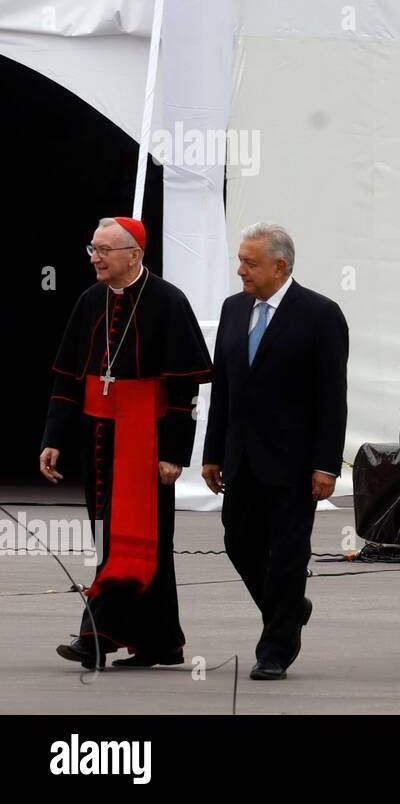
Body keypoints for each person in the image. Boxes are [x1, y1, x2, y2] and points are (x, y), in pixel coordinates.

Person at [40, 217, 212, 669]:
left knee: (134, 540)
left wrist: (175, 452)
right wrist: (53, 438)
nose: (94, 258)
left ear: (134, 255)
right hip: (98, 436)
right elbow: (67, 378)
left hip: (146, 439)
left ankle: (94, 637)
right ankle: (160, 643)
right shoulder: (89, 300)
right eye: (92, 249)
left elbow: (183, 390)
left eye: (104, 250)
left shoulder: (169, 302)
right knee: (110, 539)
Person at [201, 223, 349, 681]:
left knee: (287, 554)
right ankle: (289, 607)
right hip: (241, 458)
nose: (241, 270)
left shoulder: (321, 314)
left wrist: (326, 464)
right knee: (238, 542)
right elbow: (224, 387)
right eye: (240, 261)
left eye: (250, 262)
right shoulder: (232, 309)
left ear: (280, 266)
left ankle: (276, 649)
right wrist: (212, 453)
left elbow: (332, 397)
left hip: (295, 463)